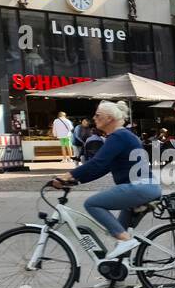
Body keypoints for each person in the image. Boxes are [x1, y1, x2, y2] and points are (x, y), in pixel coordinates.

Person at [50, 101, 160, 266]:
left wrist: (68, 175)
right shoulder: (122, 136)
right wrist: (76, 180)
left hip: (139, 187)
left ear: (109, 118)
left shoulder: (119, 136)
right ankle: (115, 276)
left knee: (92, 204)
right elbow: (102, 168)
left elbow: (97, 163)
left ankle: (125, 241)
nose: (94, 118)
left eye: (97, 115)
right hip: (144, 188)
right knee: (119, 231)